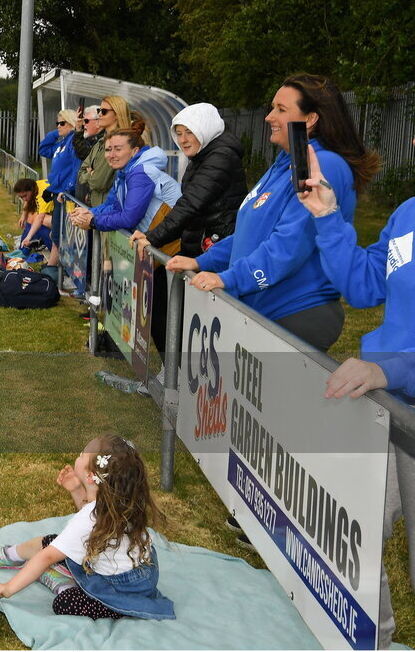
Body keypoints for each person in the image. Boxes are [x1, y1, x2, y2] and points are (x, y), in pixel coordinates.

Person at [296, 143, 415, 649]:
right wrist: (327, 216)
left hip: (392, 389)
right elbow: (366, 284)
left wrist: (387, 368)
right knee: (346, 533)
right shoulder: (409, 212)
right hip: (391, 408)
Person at [167, 74, 380, 354]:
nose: (268, 117)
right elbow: (250, 232)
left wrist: (230, 278)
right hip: (264, 310)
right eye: (272, 108)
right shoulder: (283, 163)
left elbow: (289, 246)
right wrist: (202, 262)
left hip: (293, 314)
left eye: (281, 109)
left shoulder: (323, 165)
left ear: (311, 119)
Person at [0, 434, 174, 621]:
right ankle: (10, 554)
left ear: (90, 475)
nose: (79, 455)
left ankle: (63, 584)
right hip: (145, 571)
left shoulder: (89, 516)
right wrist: (76, 490)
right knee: (53, 541)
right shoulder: (118, 498)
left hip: (123, 588)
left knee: (65, 602)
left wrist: (8, 588)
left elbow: (48, 555)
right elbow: (92, 526)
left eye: (82, 454)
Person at [129, 103, 247, 354]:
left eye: (189, 132)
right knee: (183, 314)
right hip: (201, 244)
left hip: (214, 248)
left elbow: (191, 203)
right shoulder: (204, 155)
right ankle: (179, 377)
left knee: (204, 320)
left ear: (204, 129)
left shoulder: (220, 157)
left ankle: (186, 381)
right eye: (179, 133)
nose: (183, 139)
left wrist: (153, 237)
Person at [69, 122, 181, 236]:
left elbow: (129, 218)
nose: (111, 155)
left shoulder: (140, 173)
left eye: (117, 149)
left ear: (135, 151)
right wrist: (89, 212)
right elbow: (114, 206)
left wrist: (92, 222)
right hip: (156, 239)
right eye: (108, 150)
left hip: (172, 242)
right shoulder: (123, 172)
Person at [78, 96, 145, 208]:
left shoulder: (121, 144)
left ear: (117, 115)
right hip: (99, 211)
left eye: (103, 111)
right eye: (99, 110)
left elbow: (99, 182)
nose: (99, 114)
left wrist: (90, 174)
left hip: (111, 211)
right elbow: (81, 174)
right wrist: (92, 174)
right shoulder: (100, 142)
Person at [37, 110, 82, 273]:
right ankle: (55, 266)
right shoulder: (62, 143)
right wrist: (56, 132)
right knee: (56, 232)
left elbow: (76, 169)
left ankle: (56, 268)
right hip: (57, 193)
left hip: (65, 196)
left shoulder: (73, 142)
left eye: (62, 123)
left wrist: (68, 189)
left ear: (71, 123)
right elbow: (43, 150)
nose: (58, 126)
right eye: (57, 123)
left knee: (59, 233)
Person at [13, 177, 55, 257]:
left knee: (40, 223)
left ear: (31, 190)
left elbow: (40, 218)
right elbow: (27, 202)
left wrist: (28, 237)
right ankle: (22, 250)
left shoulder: (42, 195)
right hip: (61, 212)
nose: (24, 199)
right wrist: (23, 216)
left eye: (25, 196)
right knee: (33, 217)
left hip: (68, 217)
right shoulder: (36, 185)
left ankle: (55, 254)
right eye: (21, 197)